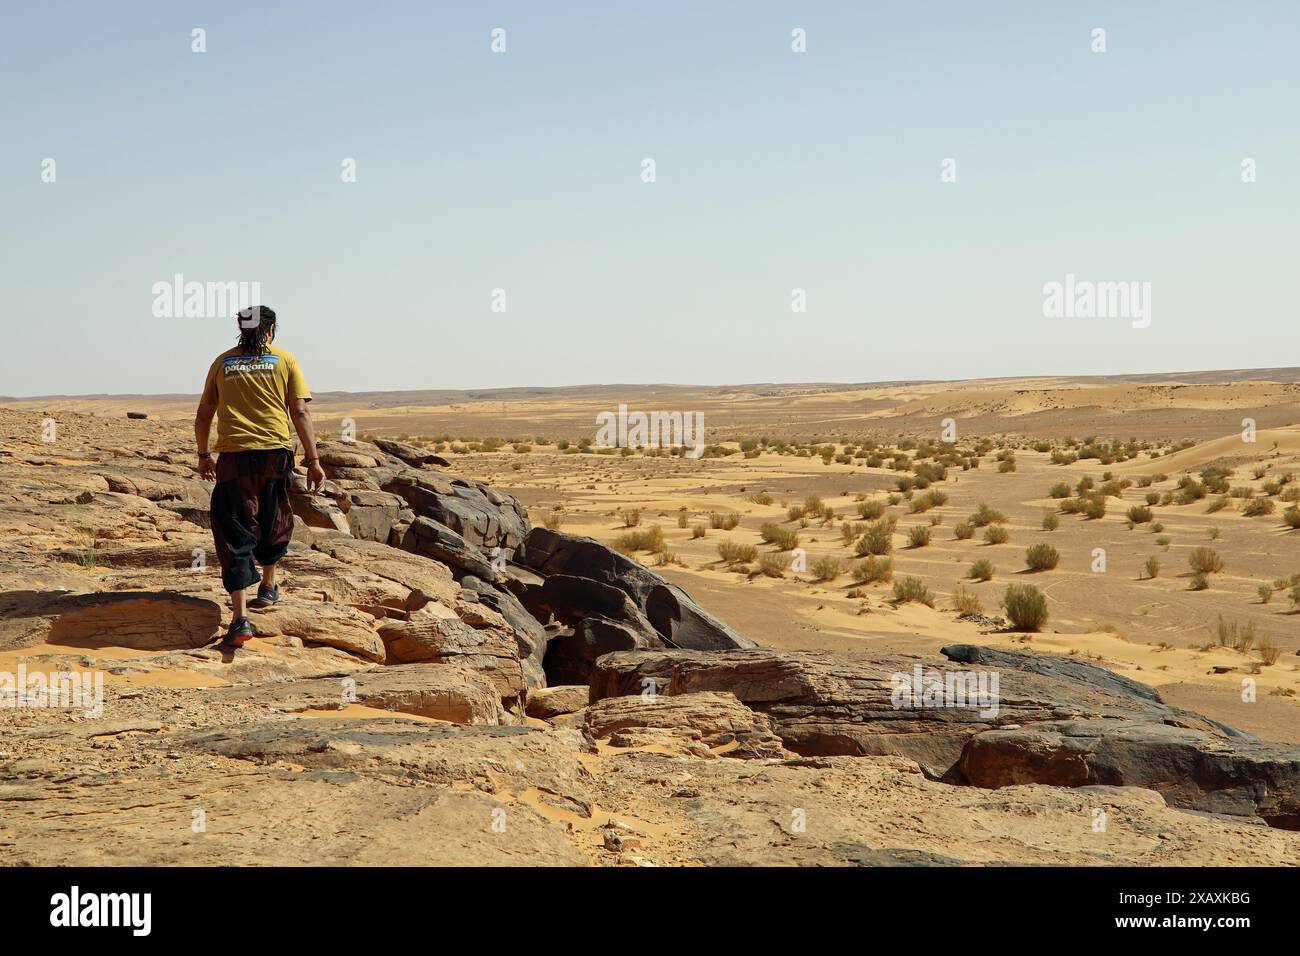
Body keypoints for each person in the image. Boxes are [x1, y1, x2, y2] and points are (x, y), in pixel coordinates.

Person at [194, 306, 326, 647]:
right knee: (274, 515)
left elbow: (205, 413)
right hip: (275, 452)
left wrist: (204, 455)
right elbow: (299, 411)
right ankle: (268, 586)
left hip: (234, 456)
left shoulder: (223, 362)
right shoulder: (285, 360)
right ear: (271, 330)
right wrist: (313, 459)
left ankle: (240, 620)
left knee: (234, 528)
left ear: (241, 328)